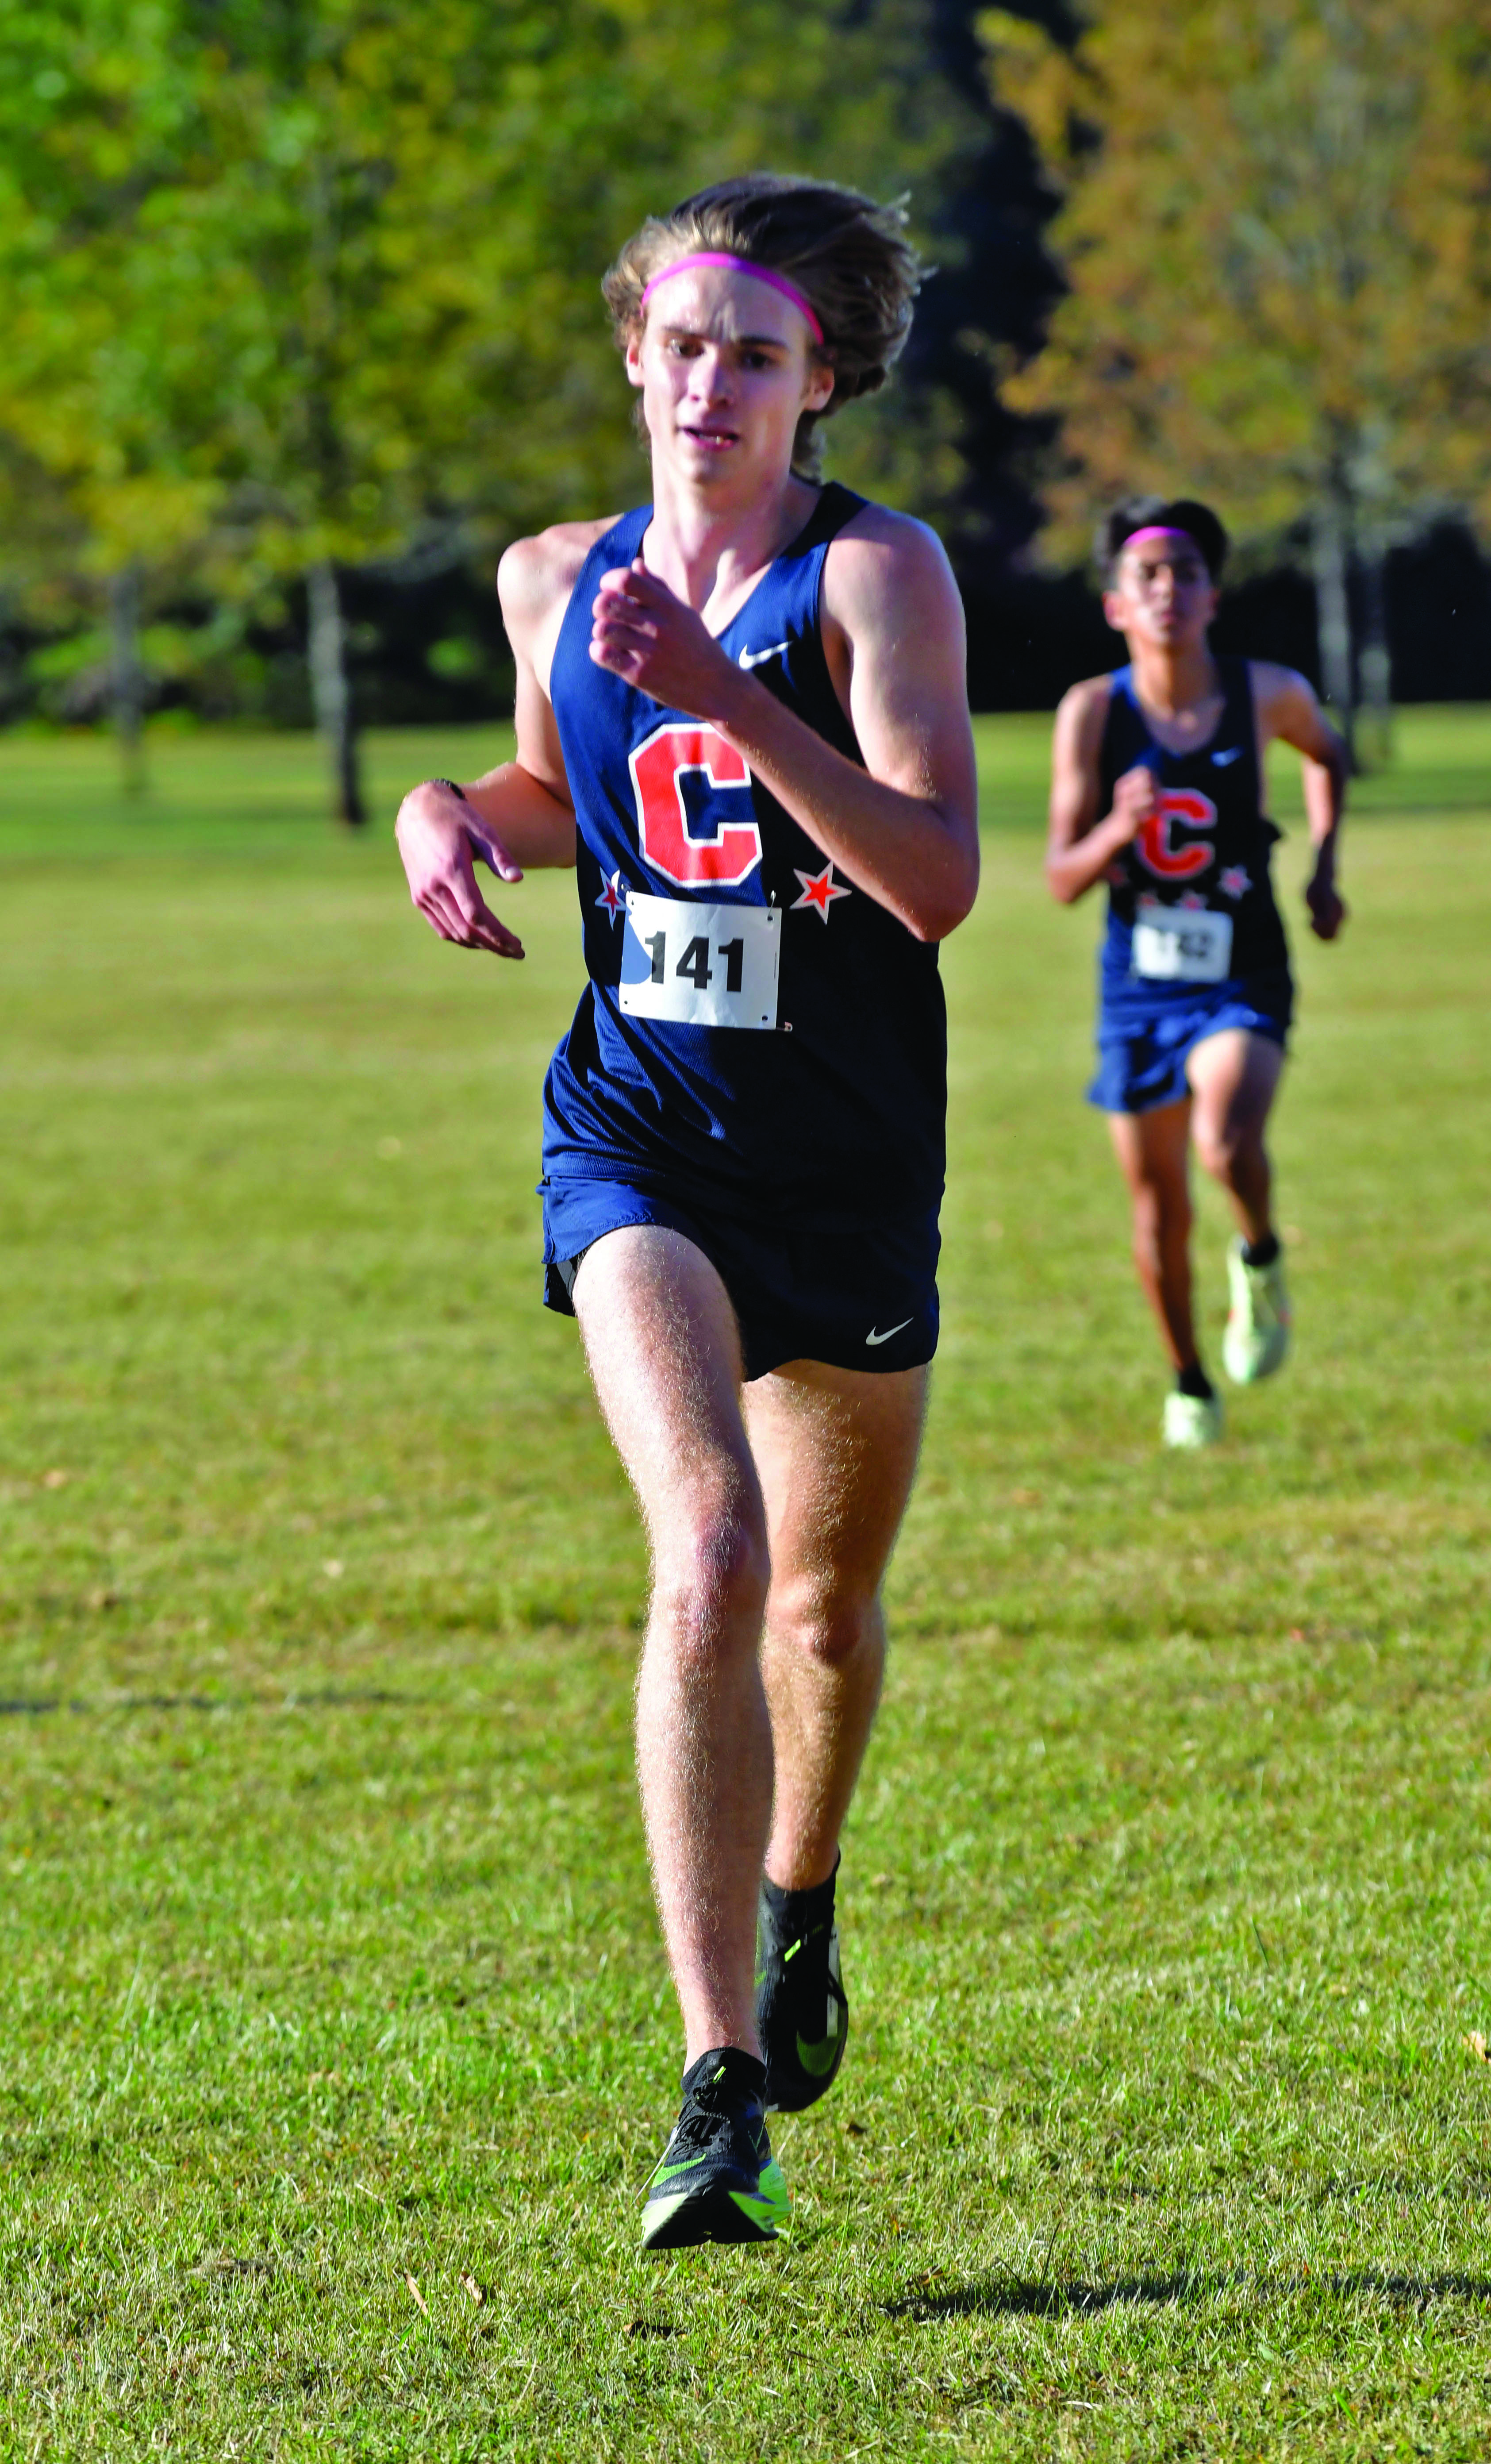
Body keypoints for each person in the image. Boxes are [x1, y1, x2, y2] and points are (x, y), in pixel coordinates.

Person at [394, 176, 978, 2248]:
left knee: (820, 1605)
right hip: (634, 1135)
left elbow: (930, 878)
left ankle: (799, 1895)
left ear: (818, 381)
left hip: (843, 1159)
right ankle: (715, 2076)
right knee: (707, 1545)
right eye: (683, 343)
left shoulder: (871, 576)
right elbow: (563, 789)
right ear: (634, 355)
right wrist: (447, 808)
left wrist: (733, 697)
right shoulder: (552, 571)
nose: (711, 379)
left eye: (757, 350)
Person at [1046, 497, 1347, 1447]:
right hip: (1137, 986)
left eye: (1185, 572)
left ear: (1213, 596)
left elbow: (1326, 756)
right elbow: (1059, 877)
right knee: (1158, 1207)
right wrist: (1114, 828)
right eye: (1147, 575)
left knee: (1223, 1140)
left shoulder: (1266, 691)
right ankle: (1187, 1382)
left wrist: (1324, 866)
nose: (1167, 588)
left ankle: (1257, 1256)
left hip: (1239, 971)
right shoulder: (1093, 712)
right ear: (1115, 606)